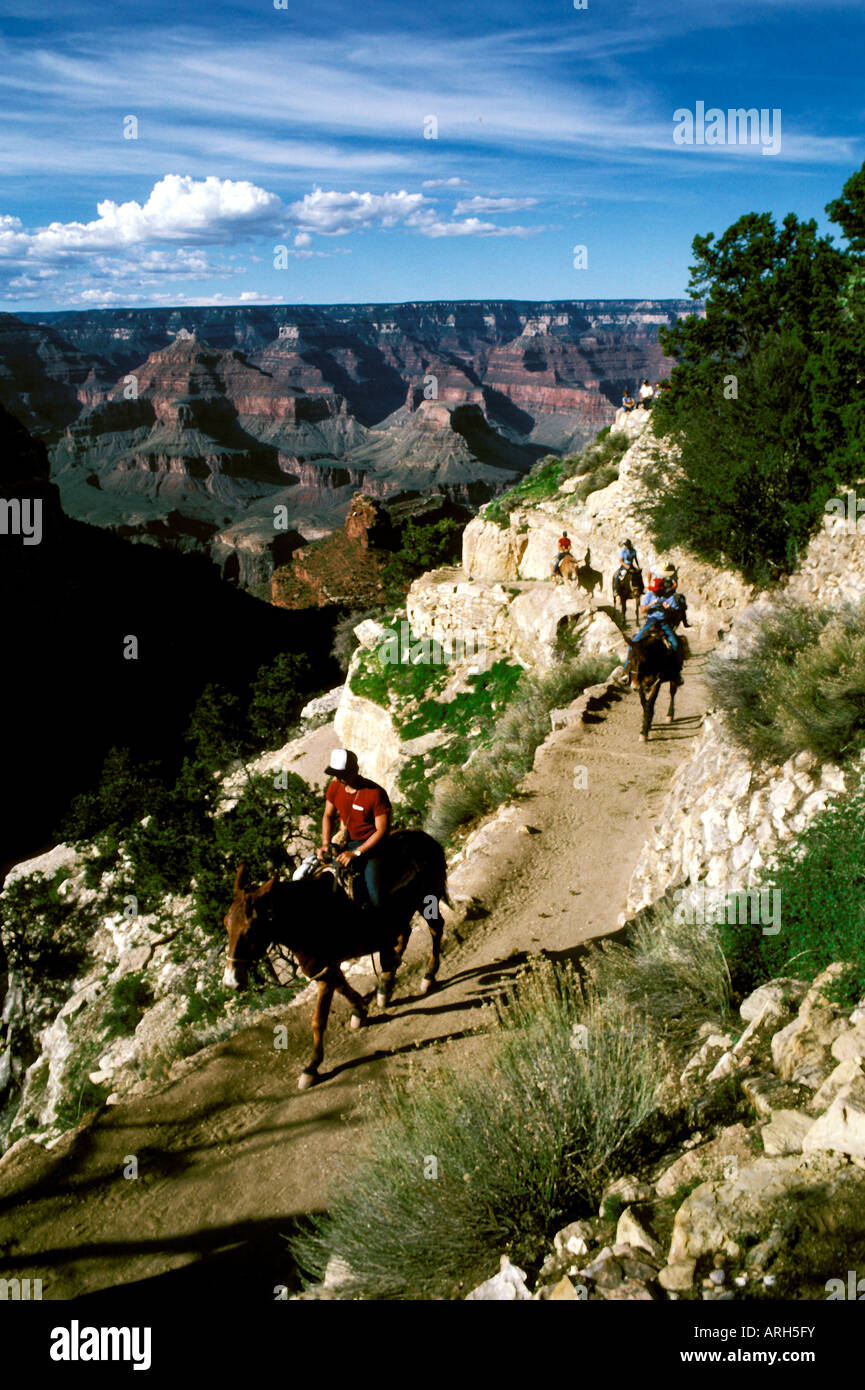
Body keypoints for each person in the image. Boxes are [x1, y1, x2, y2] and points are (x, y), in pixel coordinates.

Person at [318, 748, 392, 910]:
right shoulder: (335, 787)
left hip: (372, 846)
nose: (338, 777)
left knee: (374, 894)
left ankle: (387, 926)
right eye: (336, 774)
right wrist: (325, 843)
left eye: (342, 774)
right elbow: (328, 815)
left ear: (354, 771)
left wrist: (357, 852)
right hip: (347, 841)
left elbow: (382, 830)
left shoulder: (374, 794)